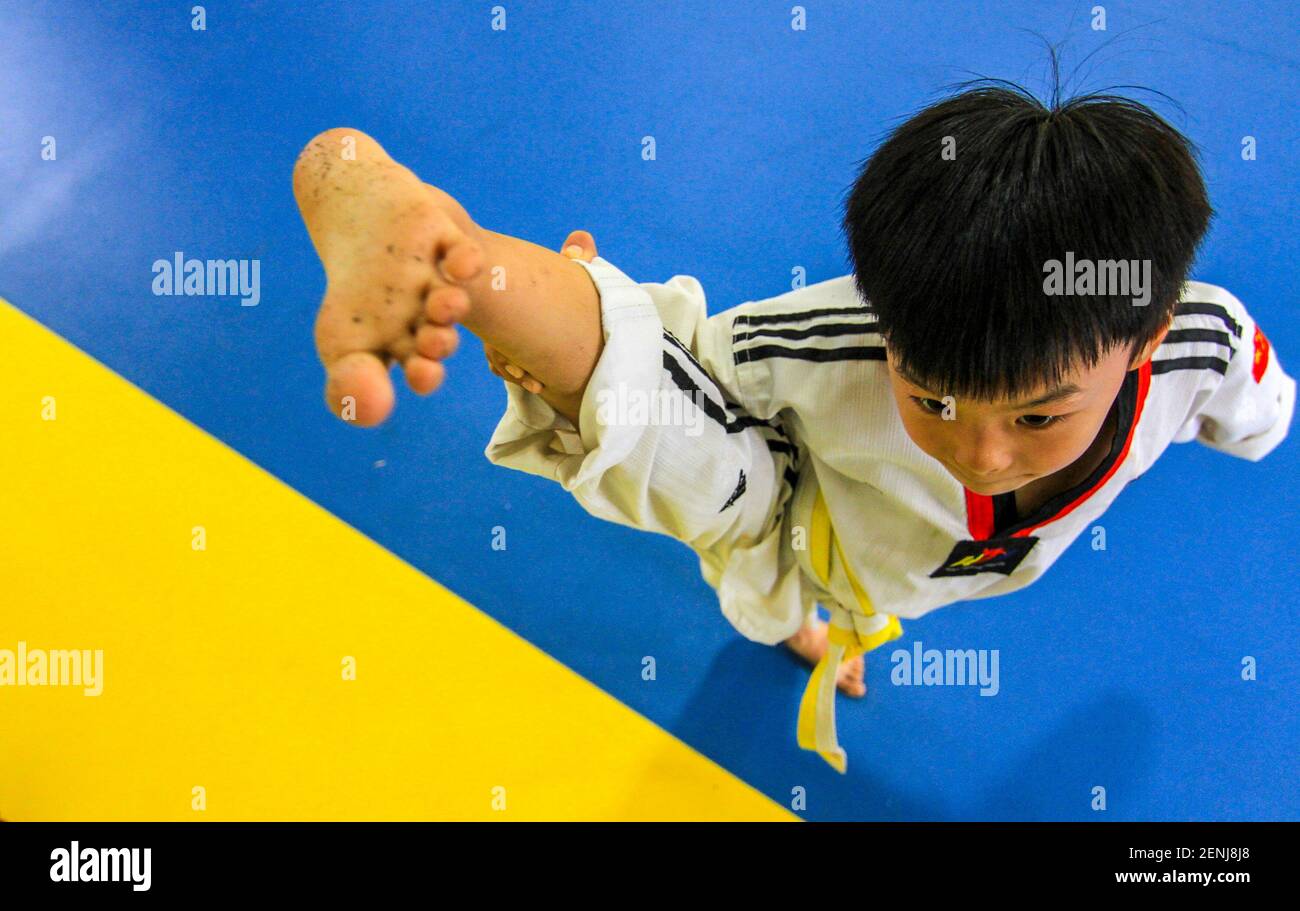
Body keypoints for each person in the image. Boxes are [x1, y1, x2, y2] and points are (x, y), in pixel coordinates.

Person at [293, 84, 1295, 772]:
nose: (978, 449)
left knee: (838, 566)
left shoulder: (1197, 345)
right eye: (931, 397)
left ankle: (828, 618)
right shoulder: (833, 341)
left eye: (1036, 414)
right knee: (691, 456)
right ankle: (465, 260)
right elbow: (669, 370)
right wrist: (563, 318)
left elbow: (1257, 403)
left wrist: (1255, 422)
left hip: (924, 563)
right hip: (794, 512)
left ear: (1144, 336)